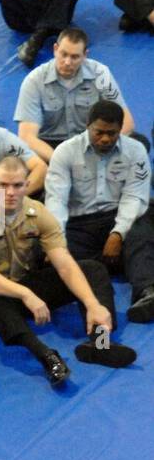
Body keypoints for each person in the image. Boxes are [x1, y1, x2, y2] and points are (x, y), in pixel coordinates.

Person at [0, 155, 136, 386]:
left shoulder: (37, 212)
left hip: (21, 286)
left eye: (17, 185)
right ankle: (47, 356)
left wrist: (92, 304)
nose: (10, 192)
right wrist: (25, 294)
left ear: (27, 186)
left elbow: (65, 265)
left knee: (92, 269)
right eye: (4, 185)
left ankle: (100, 343)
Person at [45, 102, 154, 324]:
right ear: (87, 126)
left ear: (121, 129)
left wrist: (118, 234)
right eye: (99, 132)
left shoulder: (136, 151)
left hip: (120, 218)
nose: (105, 139)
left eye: (111, 133)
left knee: (142, 227)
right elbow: (56, 201)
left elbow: (134, 197)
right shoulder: (65, 152)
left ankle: (147, 293)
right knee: (52, 260)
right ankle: (101, 332)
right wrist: (56, 241)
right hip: (79, 226)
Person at [14, 28, 140, 162]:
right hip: (50, 145)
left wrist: (99, 151)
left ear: (85, 55)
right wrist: (60, 161)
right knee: (21, 161)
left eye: (74, 57)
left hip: (92, 141)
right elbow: (27, 136)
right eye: (63, 54)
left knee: (138, 144)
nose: (67, 62)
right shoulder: (34, 81)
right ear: (55, 49)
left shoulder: (101, 74)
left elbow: (126, 121)